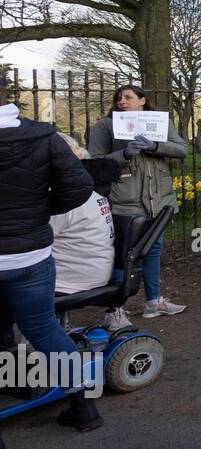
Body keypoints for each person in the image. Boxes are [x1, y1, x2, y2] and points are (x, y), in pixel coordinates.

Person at [0, 74, 99, 449]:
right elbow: (80, 186)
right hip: (31, 256)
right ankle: (83, 408)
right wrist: (38, 213)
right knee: (44, 330)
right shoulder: (43, 137)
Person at [88, 85, 189, 320]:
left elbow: (182, 149)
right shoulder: (105, 126)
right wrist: (124, 154)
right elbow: (94, 162)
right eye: (119, 98)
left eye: (128, 97)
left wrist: (154, 146)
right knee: (122, 254)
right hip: (125, 201)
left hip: (159, 199)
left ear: (142, 101)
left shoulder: (160, 123)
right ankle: (114, 310)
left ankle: (153, 302)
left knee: (153, 250)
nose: (122, 101)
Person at [50, 135, 120, 325]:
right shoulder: (91, 187)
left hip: (73, 278)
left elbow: (36, 238)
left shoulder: (66, 196)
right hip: (94, 268)